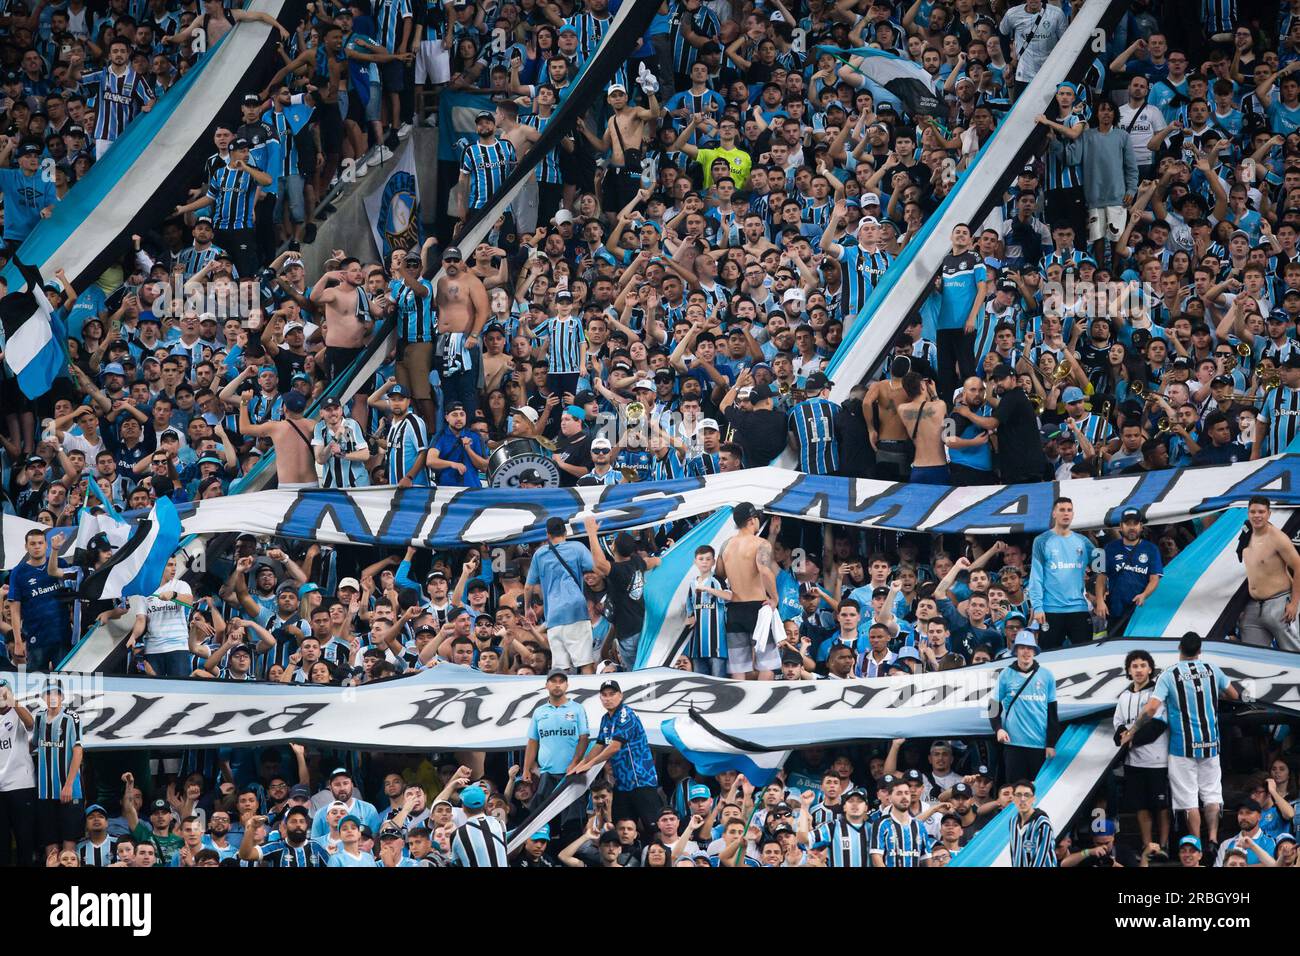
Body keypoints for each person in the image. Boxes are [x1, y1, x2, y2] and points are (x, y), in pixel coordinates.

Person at [1132, 632, 1241, 853]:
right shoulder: (1212, 670)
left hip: (1182, 748)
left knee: (1189, 798)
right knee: (1211, 794)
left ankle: (1196, 842)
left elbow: (1152, 708)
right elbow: (1234, 695)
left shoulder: (1169, 674)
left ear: (1180, 648)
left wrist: (1133, 729)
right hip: (1210, 744)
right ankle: (1212, 838)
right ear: (1200, 650)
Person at [571, 680, 660, 832]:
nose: (608, 698)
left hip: (641, 782)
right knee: (621, 829)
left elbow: (614, 747)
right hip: (622, 784)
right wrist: (580, 764)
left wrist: (590, 764)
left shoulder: (626, 714)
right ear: (600, 698)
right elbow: (599, 745)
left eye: (612, 694)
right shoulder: (606, 718)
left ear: (620, 695)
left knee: (653, 829)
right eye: (604, 695)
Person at [526, 516, 610, 674]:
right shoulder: (577, 547)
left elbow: (528, 586)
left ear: (547, 534)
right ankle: (590, 696)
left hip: (553, 617)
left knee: (561, 668)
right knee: (585, 663)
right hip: (576, 611)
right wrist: (592, 534)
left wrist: (527, 608)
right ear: (566, 532)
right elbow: (600, 567)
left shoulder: (540, 554)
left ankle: (563, 698)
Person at [1112, 648, 1170, 851]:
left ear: (1150, 668)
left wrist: (1131, 739)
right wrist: (1121, 736)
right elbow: (1118, 724)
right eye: (1134, 666)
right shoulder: (1123, 697)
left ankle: (1163, 846)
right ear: (1128, 670)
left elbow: (1158, 725)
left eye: (1143, 665)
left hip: (1157, 761)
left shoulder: (1157, 695)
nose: (1138, 670)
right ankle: (1148, 846)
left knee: (1161, 806)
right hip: (1132, 762)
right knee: (1140, 806)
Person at [717, 502, 781, 681]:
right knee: (768, 664)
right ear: (752, 520)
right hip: (757, 607)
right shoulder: (761, 544)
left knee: (738, 668)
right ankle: (761, 706)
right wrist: (775, 598)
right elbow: (765, 571)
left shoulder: (726, 545)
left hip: (734, 609)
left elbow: (719, 574)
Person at [522, 669, 590, 836]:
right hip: (546, 774)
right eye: (553, 681)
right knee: (544, 823)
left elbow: (584, 738)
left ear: (567, 685)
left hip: (571, 774)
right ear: (546, 685)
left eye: (561, 681)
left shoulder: (577, 709)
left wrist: (575, 762)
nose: (557, 684)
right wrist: (526, 769)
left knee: (571, 823)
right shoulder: (539, 711)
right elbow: (533, 741)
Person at [1027, 497, 1096, 649]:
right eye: (1062, 510)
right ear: (1054, 513)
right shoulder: (1041, 541)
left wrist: (1100, 596)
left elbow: (1102, 567)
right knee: (1049, 658)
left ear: (1073, 514)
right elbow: (1036, 577)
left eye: (1069, 510)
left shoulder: (1083, 542)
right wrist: (1037, 607)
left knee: (1085, 656)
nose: (1066, 513)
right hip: (1051, 610)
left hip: (1079, 609)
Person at [991, 633, 1059, 784]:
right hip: (1014, 745)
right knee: (1015, 792)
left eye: (1029, 648)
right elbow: (993, 705)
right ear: (1015, 651)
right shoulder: (1005, 674)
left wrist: (1050, 744)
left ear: (1035, 651)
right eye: (1022, 647)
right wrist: (998, 729)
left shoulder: (1047, 675)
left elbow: (1052, 713)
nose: (1026, 652)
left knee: (1039, 792)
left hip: (1040, 746)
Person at [1237, 496, 1300, 650]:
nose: (1257, 516)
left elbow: (1298, 566)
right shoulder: (1246, 533)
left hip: (1280, 604)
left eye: (1261, 512)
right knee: (1252, 655)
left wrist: (1294, 603)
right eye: (1253, 512)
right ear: (1248, 513)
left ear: (1269, 514)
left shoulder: (1278, 538)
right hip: (1253, 606)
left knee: (1295, 653)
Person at [1097, 508, 1163, 635]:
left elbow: (1154, 579)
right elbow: (1101, 577)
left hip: (1140, 611)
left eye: (1135, 523)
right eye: (1128, 524)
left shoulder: (1152, 549)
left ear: (1141, 526)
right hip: (1115, 609)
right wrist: (1100, 600)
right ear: (1121, 527)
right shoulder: (1109, 547)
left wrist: (1144, 595)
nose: (1132, 527)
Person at [0, 677, 36, 866]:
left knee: (25, 839)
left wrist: (12, 700)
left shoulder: (18, 713)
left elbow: (31, 724)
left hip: (21, 785)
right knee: (2, 843)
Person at [450, 785, 508, 867]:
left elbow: (456, 862)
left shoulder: (457, 834)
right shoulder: (499, 823)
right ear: (485, 804)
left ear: (463, 807)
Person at [1009, 780, 1057, 867]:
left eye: (1027, 795)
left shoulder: (1042, 823)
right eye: (1018, 795)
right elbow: (1014, 854)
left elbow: (1039, 860)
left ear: (1033, 799)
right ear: (1013, 798)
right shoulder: (1013, 821)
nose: (1022, 799)